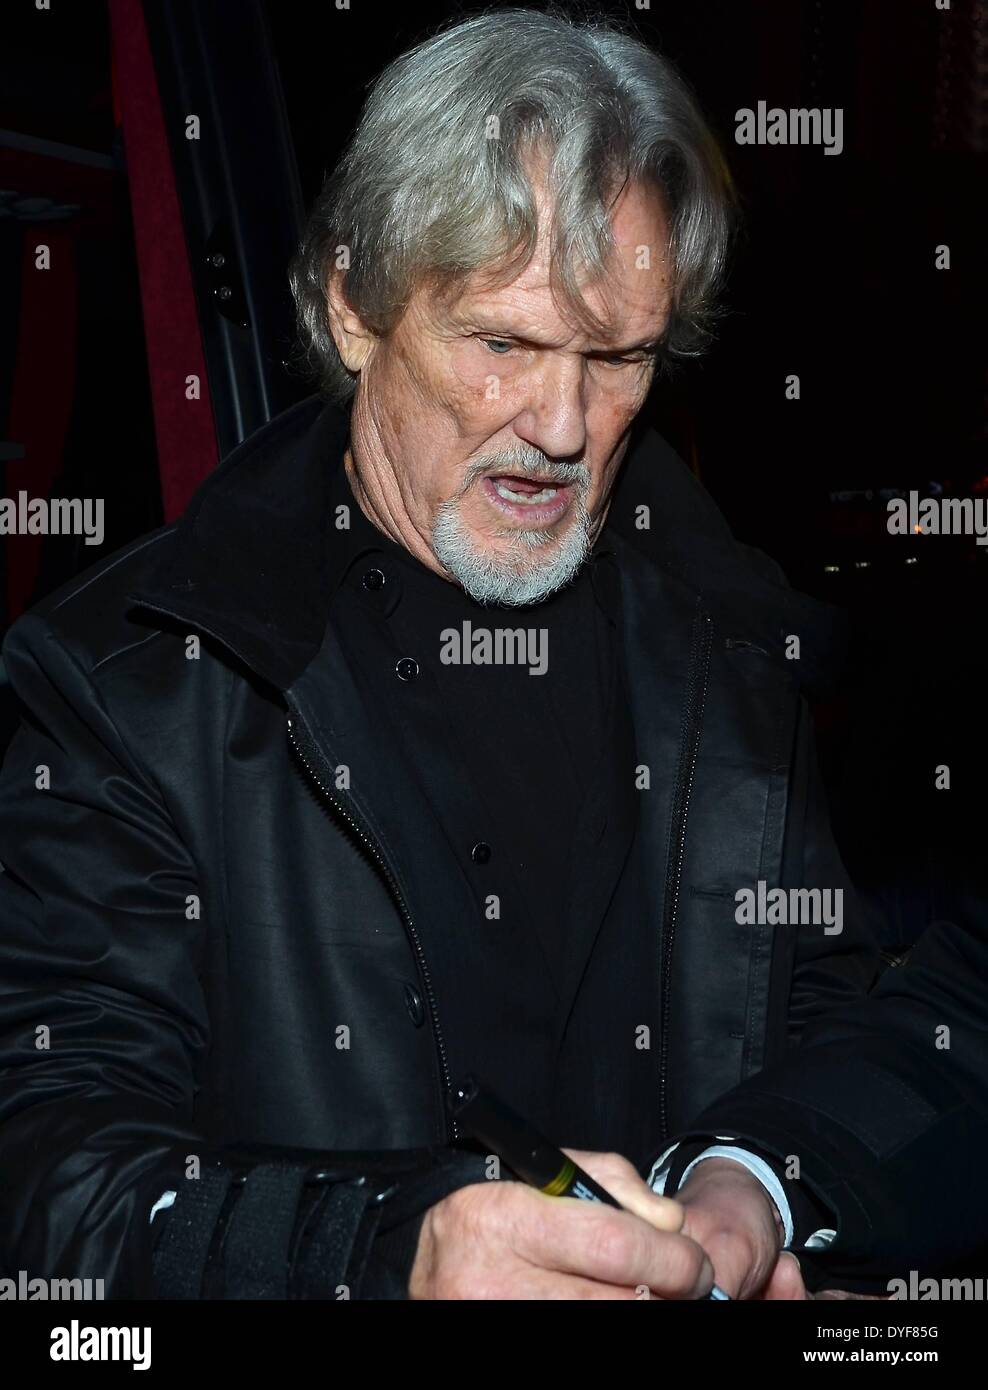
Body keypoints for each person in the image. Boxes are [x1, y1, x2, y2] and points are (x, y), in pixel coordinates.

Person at [1, 7, 984, 1301]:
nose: (563, 425)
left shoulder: (733, 653)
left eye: (617, 357)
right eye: (504, 343)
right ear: (354, 304)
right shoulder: (132, 687)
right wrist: (387, 1261)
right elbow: (56, 1187)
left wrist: (761, 1183)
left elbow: (833, 1025)